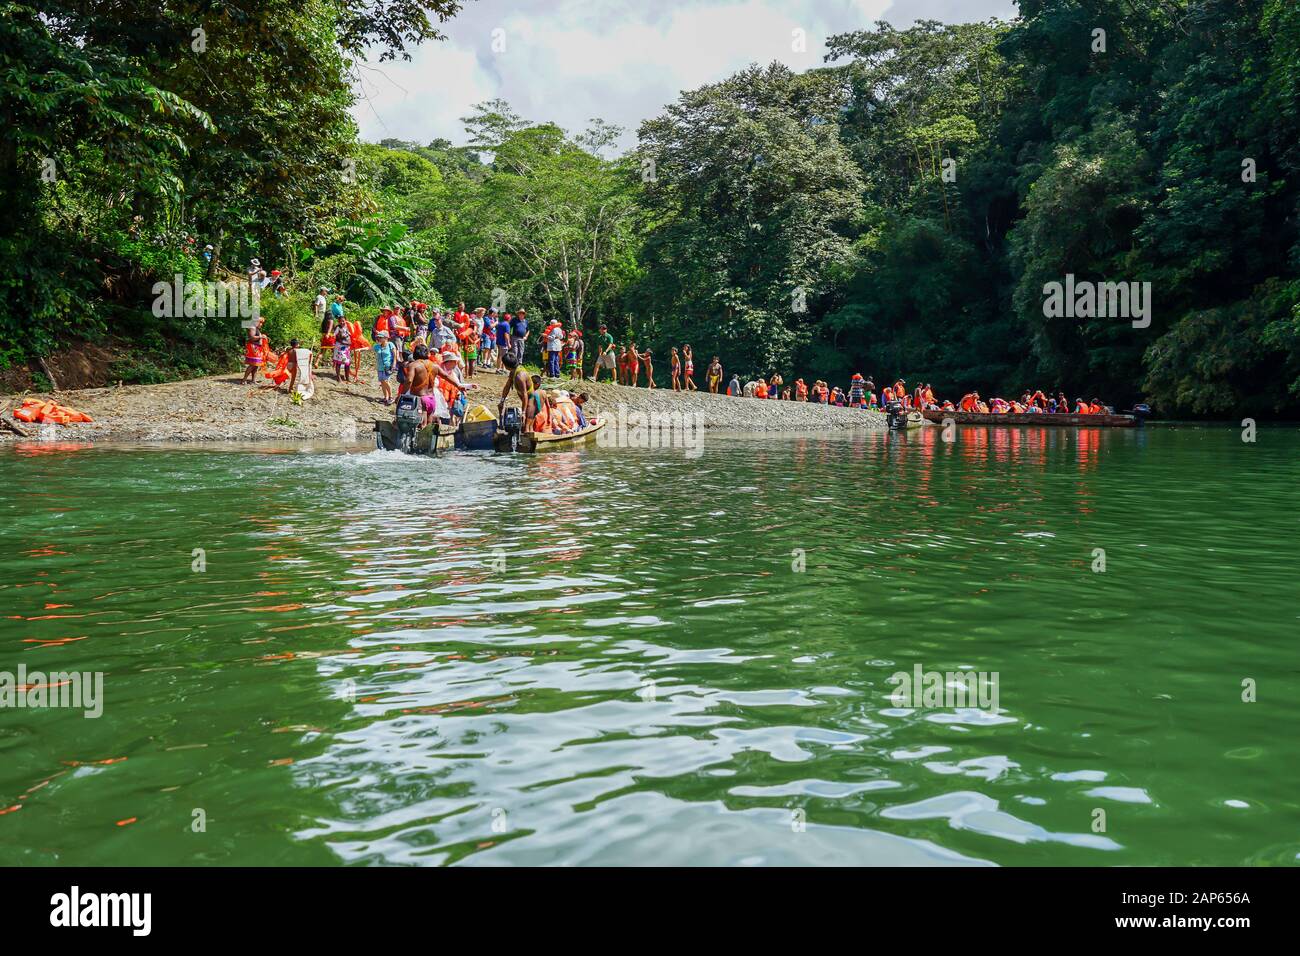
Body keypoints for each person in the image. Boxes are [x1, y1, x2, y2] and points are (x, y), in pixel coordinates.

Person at [498, 353, 536, 430]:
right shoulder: (513, 372)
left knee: (527, 425)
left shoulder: (520, 377)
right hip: (524, 398)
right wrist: (502, 401)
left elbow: (525, 395)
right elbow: (507, 386)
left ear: (506, 366)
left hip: (531, 399)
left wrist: (523, 413)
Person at [373, 330, 397, 404]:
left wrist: (394, 364)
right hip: (380, 367)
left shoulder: (390, 344)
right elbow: (369, 348)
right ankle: (385, 397)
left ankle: (391, 397)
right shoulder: (377, 346)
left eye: (380, 337)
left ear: (386, 338)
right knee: (382, 382)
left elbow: (395, 355)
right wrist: (360, 349)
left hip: (388, 366)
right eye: (378, 337)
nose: (379, 339)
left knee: (386, 381)